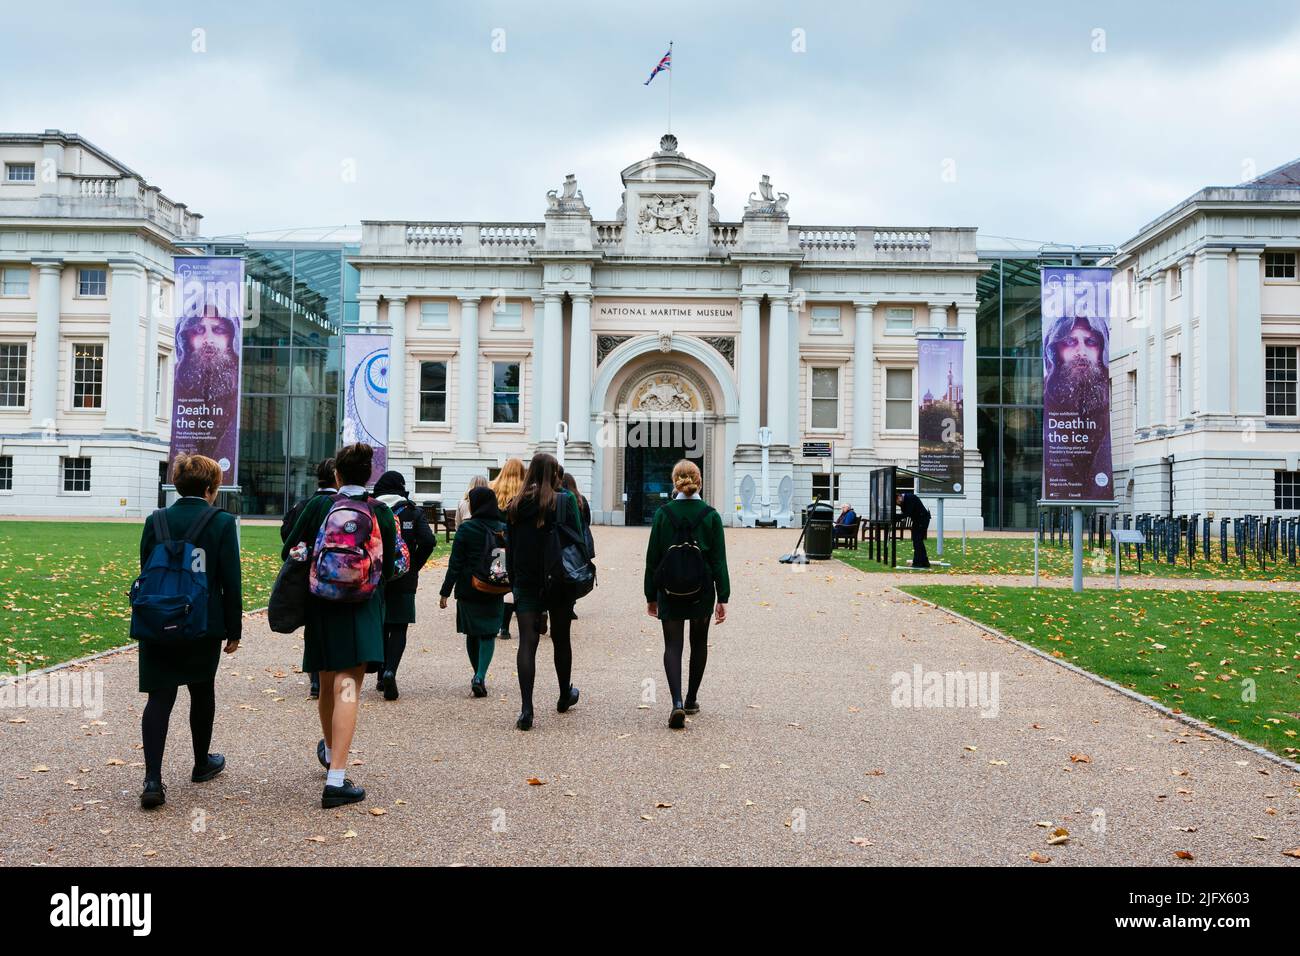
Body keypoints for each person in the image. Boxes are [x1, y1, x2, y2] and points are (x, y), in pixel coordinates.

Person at [283, 443, 403, 808]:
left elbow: (291, 549)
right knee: (349, 686)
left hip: (321, 604)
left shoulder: (320, 506)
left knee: (326, 685)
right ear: (368, 474)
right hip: (364, 607)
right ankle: (337, 777)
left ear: (337, 475)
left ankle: (331, 751)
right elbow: (398, 563)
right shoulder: (380, 510)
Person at [137, 453, 242, 809]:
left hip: (158, 616)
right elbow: (230, 579)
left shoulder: (156, 520)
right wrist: (234, 628)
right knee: (202, 690)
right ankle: (201, 762)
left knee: (159, 697)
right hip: (202, 621)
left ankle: (153, 778)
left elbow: (146, 567)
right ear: (212, 488)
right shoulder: (222, 522)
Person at [643, 459, 729, 729]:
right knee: (699, 643)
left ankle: (677, 701)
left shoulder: (662, 514)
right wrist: (723, 596)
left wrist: (650, 595)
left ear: (675, 481)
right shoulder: (711, 515)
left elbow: (652, 559)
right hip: (701, 589)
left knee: (672, 646)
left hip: (669, 587)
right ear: (699, 481)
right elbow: (719, 561)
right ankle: (692, 698)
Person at [505, 452, 585, 731]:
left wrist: (514, 583)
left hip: (526, 580)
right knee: (561, 638)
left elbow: (510, 549)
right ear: (554, 473)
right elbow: (578, 536)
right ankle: (564, 694)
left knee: (527, 641)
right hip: (559, 577)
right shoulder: (564, 501)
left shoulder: (515, 504)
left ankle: (527, 709)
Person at [373, 470, 437, 700]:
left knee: (379, 624)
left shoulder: (370, 509)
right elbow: (429, 541)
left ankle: (380, 674)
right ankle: (391, 670)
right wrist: (414, 566)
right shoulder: (412, 511)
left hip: (375, 576)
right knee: (399, 626)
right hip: (404, 577)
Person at [439, 486, 507, 698]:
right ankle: (480, 675)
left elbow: (455, 563)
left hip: (468, 586)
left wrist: (445, 591)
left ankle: (476, 672)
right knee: (488, 633)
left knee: (471, 632)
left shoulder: (466, 529)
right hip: (494, 585)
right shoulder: (503, 528)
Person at [280, 457, 336, 700]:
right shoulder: (339, 504)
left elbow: (287, 535)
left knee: (313, 625)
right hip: (335, 573)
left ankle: (315, 677)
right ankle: (329, 674)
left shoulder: (303, 505)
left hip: (305, 572)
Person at [1043, 312, 1113, 498]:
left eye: (1090, 342)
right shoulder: (1046, 402)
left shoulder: (1106, 401)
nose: (1081, 352)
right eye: (1070, 342)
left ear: (1101, 348)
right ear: (1055, 351)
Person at [171, 306, 240, 475]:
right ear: (186, 337)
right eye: (199, 330)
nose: (208, 340)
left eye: (218, 330)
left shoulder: (239, 389)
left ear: (232, 337)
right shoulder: (176, 383)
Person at [491, 458, 526, 642]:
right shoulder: (525, 492)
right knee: (513, 584)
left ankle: (499, 625)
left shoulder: (493, 489)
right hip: (518, 544)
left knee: (498, 580)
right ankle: (506, 625)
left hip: (497, 542)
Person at [896, 490, 932, 569]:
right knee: (918, 541)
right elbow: (905, 513)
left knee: (917, 541)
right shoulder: (905, 500)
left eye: (897, 502)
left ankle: (918, 563)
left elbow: (907, 513)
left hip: (922, 520)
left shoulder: (910, 498)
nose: (898, 504)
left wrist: (895, 517)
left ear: (899, 497)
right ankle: (924, 562)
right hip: (918, 520)